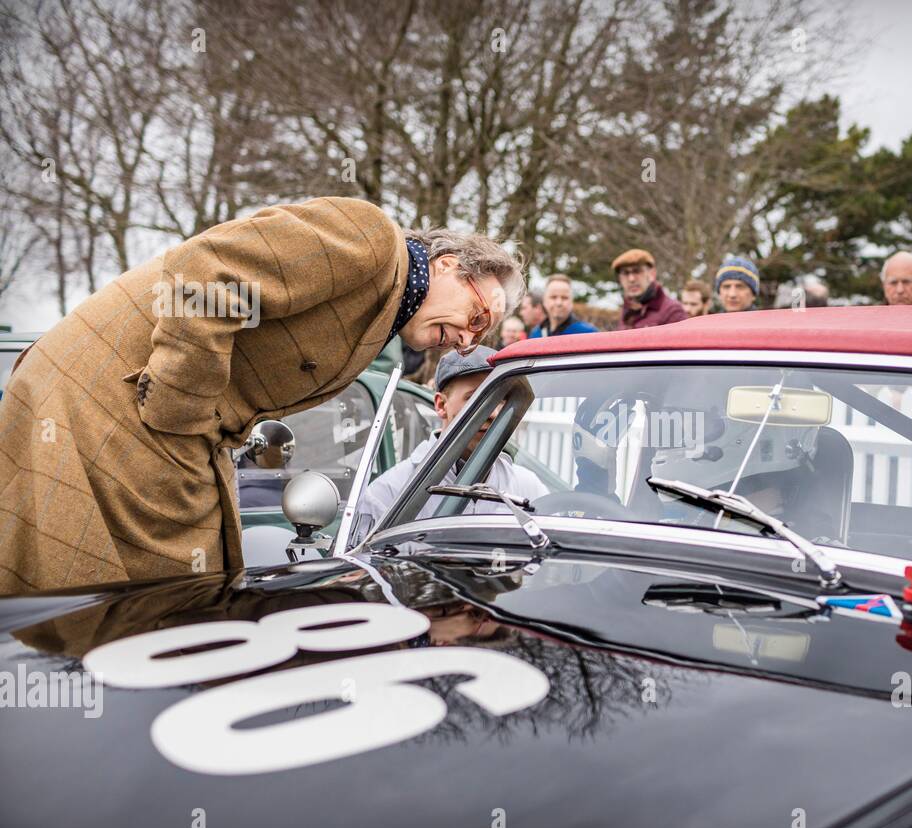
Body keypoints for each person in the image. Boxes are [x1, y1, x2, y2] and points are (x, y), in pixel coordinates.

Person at [0, 197, 523, 594]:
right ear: (449, 264)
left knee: (190, 583)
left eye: (483, 335)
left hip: (156, 423)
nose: (467, 339)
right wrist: (179, 413)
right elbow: (206, 273)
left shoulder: (383, 311)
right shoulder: (370, 241)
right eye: (476, 316)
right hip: (103, 403)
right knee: (135, 597)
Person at [356, 346, 548, 527]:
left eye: (502, 399)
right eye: (477, 398)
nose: (494, 413)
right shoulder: (391, 491)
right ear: (441, 405)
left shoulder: (527, 487)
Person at [612, 248, 687, 329]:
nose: (631, 279)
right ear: (619, 279)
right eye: (625, 273)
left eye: (637, 271)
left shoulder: (672, 311)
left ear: (652, 274)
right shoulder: (627, 310)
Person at [529, 274, 598, 337]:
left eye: (564, 297)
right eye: (553, 297)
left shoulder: (588, 334)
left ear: (571, 301)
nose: (559, 303)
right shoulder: (535, 334)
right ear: (544, 301)